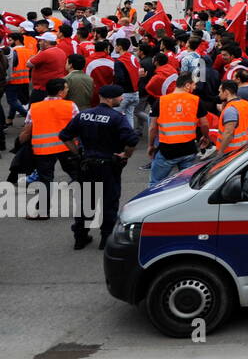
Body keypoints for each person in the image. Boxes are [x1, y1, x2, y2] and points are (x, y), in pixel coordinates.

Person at [60, 83, 138, 249]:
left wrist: (76, 154)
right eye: (119, 96)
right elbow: (131, 140)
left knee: (86, 202)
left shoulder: (84, 115)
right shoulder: (117, 118)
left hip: (86, 165)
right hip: (109, 167)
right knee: (109, 202)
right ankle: (106, 239)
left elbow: (64, 135)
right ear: (110, 99)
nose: (122, 98)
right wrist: (126, 155)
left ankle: (80, 237)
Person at [13, 79, 80, 219]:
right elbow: (78, 126)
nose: (67, 91)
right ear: (60, 92)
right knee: (78, 175)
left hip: (43, 149)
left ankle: (42, 212)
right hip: (66, 147)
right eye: (66, 88)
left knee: (45, 180)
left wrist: (19, 144)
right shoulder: (70, 105)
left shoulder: (35, 107)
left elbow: (27, 130)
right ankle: (89, 207)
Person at [149, 71, 202, 186]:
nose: (195, 87)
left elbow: (152, 128)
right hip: (189, 149)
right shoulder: (196, 100)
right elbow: (205, 124)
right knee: (187, 185)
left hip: (167, 150)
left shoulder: (160, 101)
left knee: (155, 184)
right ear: (187, 85)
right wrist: (206, 137)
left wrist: (151, 145)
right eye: (194, 84)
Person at [215, 80, 248, 155]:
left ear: (226, 92)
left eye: (220, 91)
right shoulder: (246, 104)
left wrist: (220, 152)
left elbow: (229, 133)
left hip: (230, 152)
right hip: (243, 147)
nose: (219, 94)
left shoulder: (230, 109)